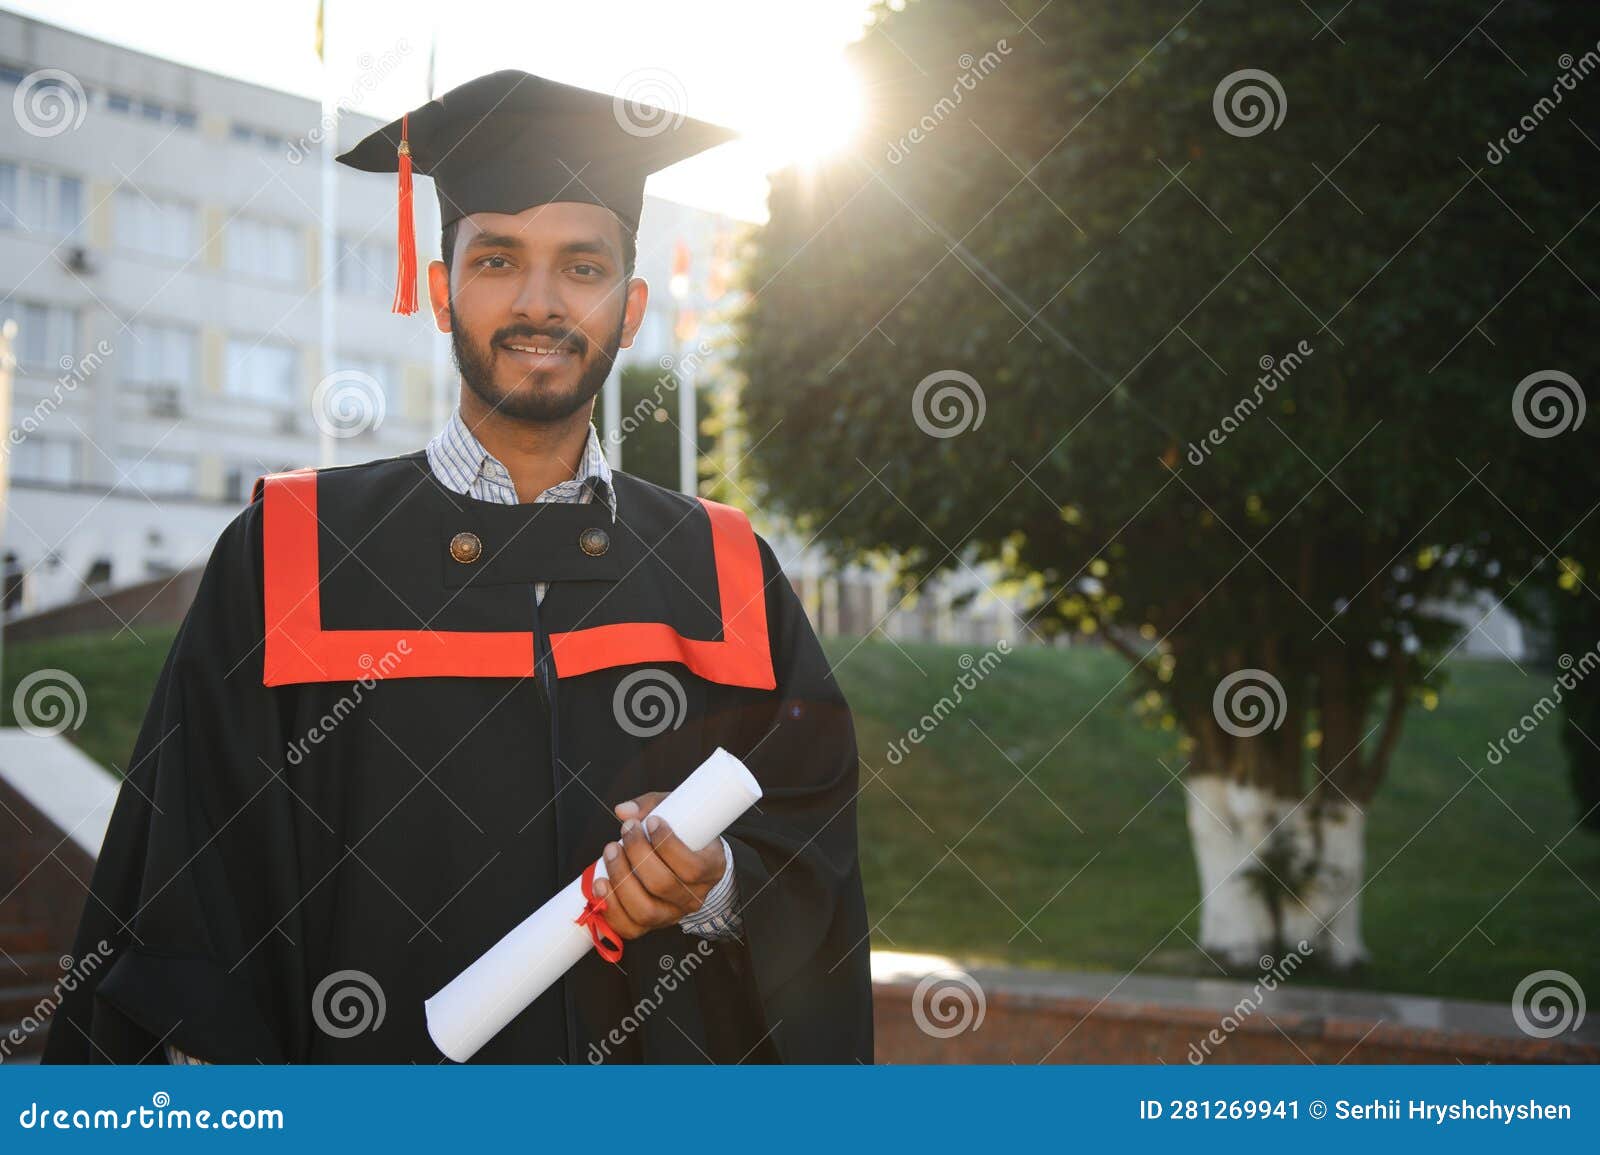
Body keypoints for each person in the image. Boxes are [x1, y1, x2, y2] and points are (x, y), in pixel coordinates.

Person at [42, 69, 873, 1065]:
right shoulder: (293, 551)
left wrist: (718, 881)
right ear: (440, 292)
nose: (537, 301)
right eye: (496, 260)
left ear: (631, 305)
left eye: (580, 266)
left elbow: (816, 853)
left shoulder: (723, 569)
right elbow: (189, 900)